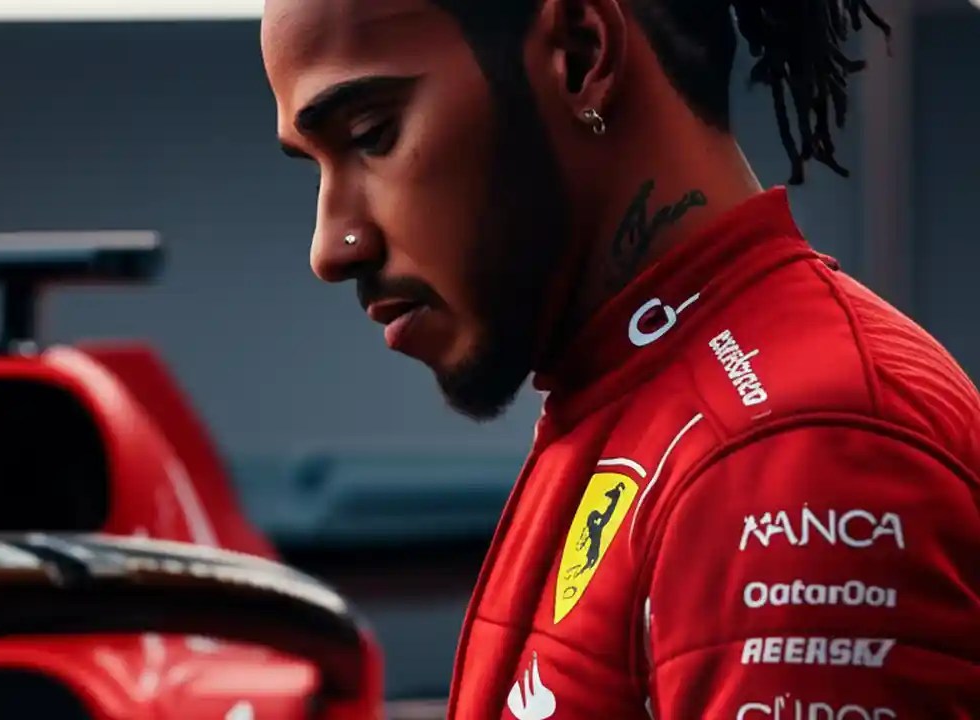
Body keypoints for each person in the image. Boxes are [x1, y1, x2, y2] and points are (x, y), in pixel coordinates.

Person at [260, 0, 980, 717]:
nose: (331, 248)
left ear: (580, 54)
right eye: (315, 165)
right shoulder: (629, 398)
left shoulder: (795, 450)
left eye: (371, 135)